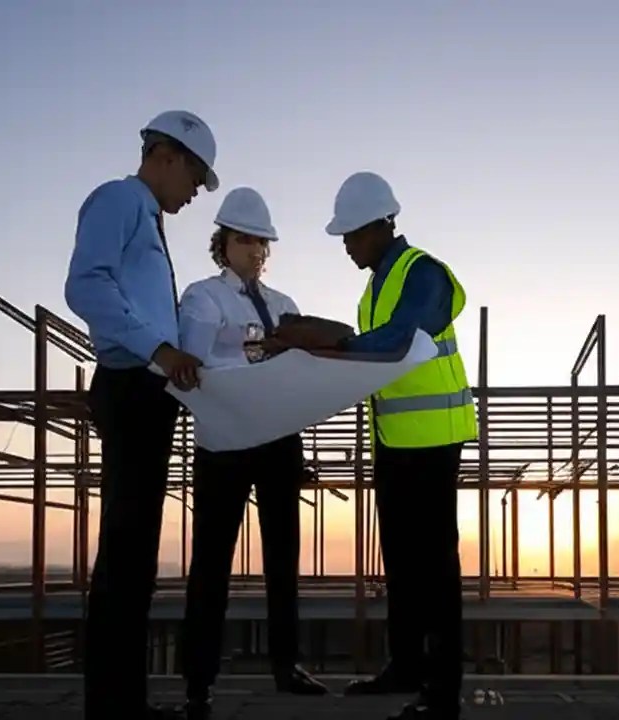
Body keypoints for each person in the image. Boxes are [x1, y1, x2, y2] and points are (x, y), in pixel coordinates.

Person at [282, 171, 477, 720]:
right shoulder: (375, 287)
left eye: (350, 234)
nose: (345, 245)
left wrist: (335, 344)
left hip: (433, 440)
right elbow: (373, 353)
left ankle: (442, 696)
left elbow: (403, 338)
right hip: (395, 441)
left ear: (378, 226)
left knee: (434, 567)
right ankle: (406, 667)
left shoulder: (422, 273)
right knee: (403, 564)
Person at [64, 109, 220, 720]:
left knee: (134, 555)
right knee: (126, 553)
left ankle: (122, 700)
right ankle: (112, 705)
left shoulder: (145, 219)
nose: (192, 194)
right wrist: (159, 350)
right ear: (168, 156)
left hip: (148, 390)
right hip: (130, 385)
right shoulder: (120, 200)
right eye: (195, 177)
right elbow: (86, 285)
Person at [175, 187, 329, 719]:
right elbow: (190, 366)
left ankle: (287, 667)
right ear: (223, 243)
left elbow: (298, 376)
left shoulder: (285, 306)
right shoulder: (201, 298)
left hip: (277, 442)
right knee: (212, 563)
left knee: (283, 559)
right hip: (224, 443)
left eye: (262, 242)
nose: (256, 251)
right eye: (245, 240)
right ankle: (199, 682)